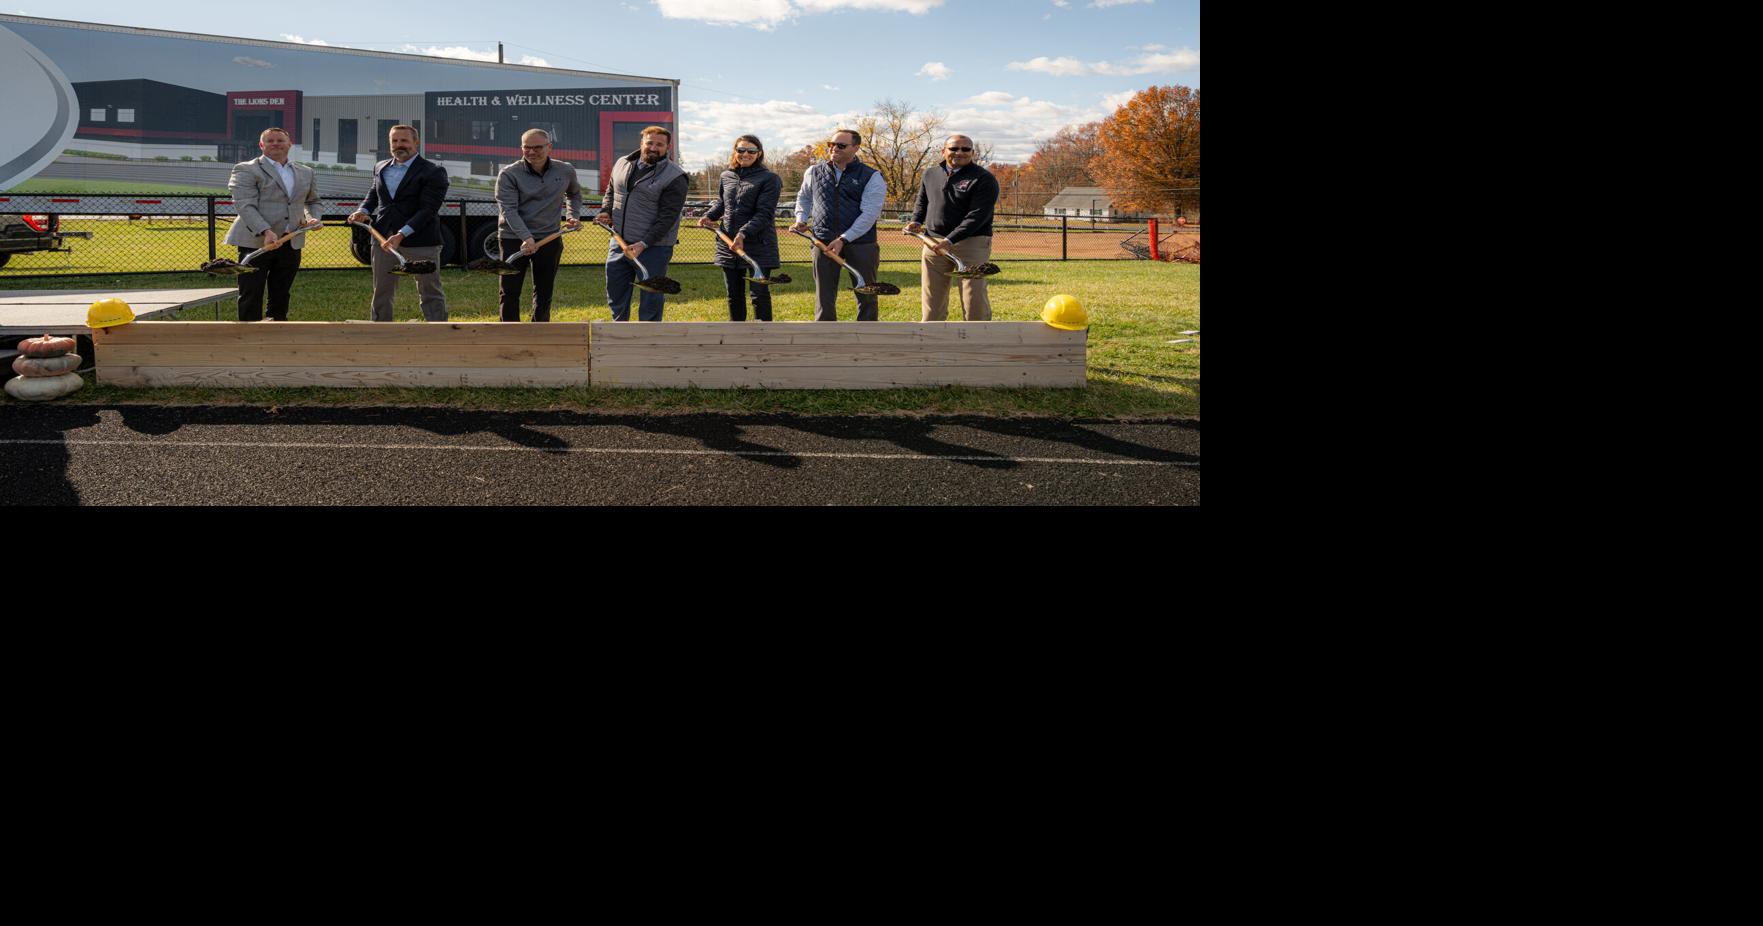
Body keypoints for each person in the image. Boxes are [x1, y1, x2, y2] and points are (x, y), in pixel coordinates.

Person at [348, 124, 450, 322]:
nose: (398, 145)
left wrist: (402, 234)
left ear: (416, 142)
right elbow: (373, 195)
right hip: (383, 239)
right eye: (394, 141)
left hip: (421, 240)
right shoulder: (381, 167)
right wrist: (363, 211)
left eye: (404, 140)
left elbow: (428, 209)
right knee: (382, 290)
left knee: (429, 290)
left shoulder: (433, 171)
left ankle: (437, 330)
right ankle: (381, 330)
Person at [224, 127, 320, 321]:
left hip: (290, 242)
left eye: (280, 140)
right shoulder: (246, 169)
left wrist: (313, 217)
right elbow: (245, 205)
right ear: (261, 145)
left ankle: (277, 331)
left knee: (281, 294)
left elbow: (313, 201)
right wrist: (266, 231)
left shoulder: (306, 172)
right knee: (251, 294)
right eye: (270, 141)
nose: (276, 144)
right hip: (256, 242)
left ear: (289, 144)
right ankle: (249, 334)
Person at [791, 128, 886, 321]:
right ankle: (825, 334)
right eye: (831, 144)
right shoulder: (813, 171)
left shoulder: (872, 176)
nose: (834, 148)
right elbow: (804, 198)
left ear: (856, 148)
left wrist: (844, 239)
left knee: (866, 293)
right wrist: (801, 219)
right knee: (824, 295)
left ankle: (867, 334)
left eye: (841, 145)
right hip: (823, 242)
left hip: (861, 244)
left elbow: (869, 214)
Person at [596, 125, 688, 322]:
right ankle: (619, 331)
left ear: (668, 147)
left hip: (654, 247)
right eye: (650, 143)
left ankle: (648, 335)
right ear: (641, 143)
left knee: (651, 296)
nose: (653, 148)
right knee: (616, 292)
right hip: (619, 243)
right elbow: (611, 192)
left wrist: (644, 244)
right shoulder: (622, 163)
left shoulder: (675, 176)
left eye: (660, 145)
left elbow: (668, 218)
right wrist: (605, 211)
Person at [907, 134, 998, 321]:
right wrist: (916, 220)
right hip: (934, 243)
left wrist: (950, 240)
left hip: (971, 243)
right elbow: (922, 202)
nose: (959, 152)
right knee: (932, 300)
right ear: (943, 151)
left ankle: (977, 336)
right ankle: (933, 335)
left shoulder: (984, 178)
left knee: (973, 298)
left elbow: (977, 216)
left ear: (972, 153)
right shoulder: (930, 174)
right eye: (954, 148)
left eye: (965, 149)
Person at [494, 129, 582, 322]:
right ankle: (508, 332)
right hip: (513, 238)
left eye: (537, 147)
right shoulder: (509, 174)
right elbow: (508, 210)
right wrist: (526, 238)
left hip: (549, 238)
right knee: (509, 291)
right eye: (527, 147)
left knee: (544, 290)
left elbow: (574, 194)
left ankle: (540, 330)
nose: (531, 152)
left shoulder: (565, 170)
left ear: (549, 147)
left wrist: (572, 216)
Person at [697, 135, 781, 321]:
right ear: (735, 152)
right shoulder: (726, 176)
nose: (745, 154)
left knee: (759, 294)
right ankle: (736, 332)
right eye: (741, 150)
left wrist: (743, 233)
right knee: (733, 295)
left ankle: (762, 333)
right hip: (728, 243)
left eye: (751, 151)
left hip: (759, 244)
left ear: (759, 153)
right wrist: (709, 216)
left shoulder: (770, 179)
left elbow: (765, 213)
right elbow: (723, 203)